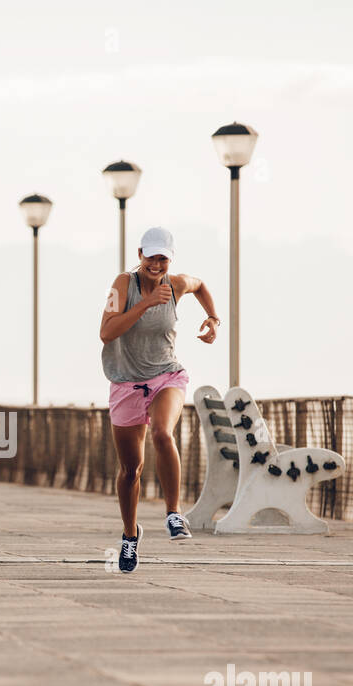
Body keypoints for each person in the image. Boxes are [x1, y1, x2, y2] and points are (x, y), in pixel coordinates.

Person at [99, 226, 220, 573]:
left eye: (162, 258)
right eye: (150, 257)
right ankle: (130, 534)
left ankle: (173, 513)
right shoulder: (123, 285)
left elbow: (201, 285)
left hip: (166, 375)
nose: (156, 264)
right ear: (139, 255)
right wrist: (147, 304)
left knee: (163, 434)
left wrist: (212, 318)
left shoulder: (176, 284)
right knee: (130, 470)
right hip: (125, 382)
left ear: (170, 259)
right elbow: (106, 332)